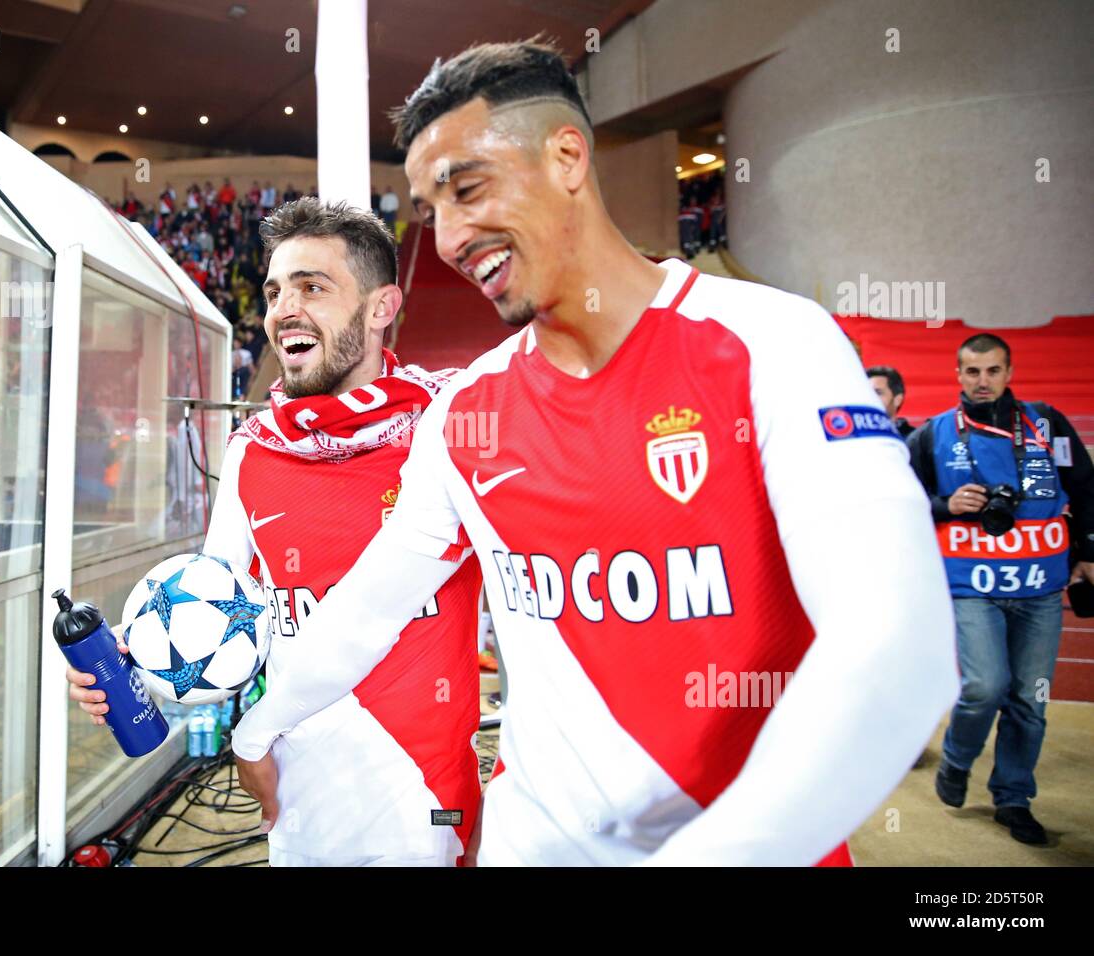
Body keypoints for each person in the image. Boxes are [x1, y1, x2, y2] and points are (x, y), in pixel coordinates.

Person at [230, 38, 959, 866]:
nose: (453, 236)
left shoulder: (775, 343)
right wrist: (261, 723)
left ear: (567, 157)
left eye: (469, 188)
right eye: (433, 212)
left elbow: (900, 651)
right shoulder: (467, 412)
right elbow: (366, 609)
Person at [68, 199, 484, 867]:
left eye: (312, 287)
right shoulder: (251, 451)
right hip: (294, 806)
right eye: (273, 290)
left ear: (381, 308)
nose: (282, 308)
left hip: (423, 808)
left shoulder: (449, 426)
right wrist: (137, 662)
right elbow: (216, 627)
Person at [905, 332, 1094, 845]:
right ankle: (958, 760)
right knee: (985, 686)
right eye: (972, 371)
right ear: (958, 375)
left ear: (1008, 373)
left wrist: (1091, 552)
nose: (982, 381)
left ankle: (1013, 796)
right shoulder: (934, 434)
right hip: (973, 589)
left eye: (992, 371)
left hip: (1040, 591)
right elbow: (898, 499)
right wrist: (946, 505)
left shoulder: (1047, 424)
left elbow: (1085, 487)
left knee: (1030, 700)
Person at [867, 365, 914, 437]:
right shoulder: (851, 437)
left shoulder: (915, 440)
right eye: (867, 393)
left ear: (897, 400)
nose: (870, 398)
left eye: (878, 393)